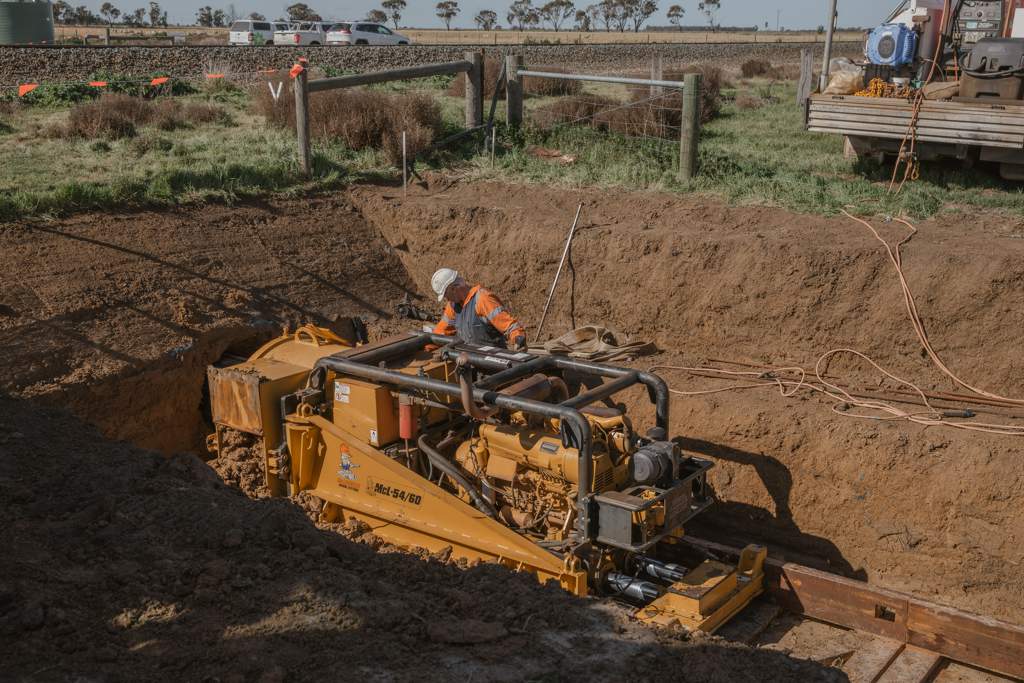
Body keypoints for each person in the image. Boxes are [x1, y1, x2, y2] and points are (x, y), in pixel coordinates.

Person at [430, 268, 527, 350]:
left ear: (454, 289)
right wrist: (424, 345)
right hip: (469, 362)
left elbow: (509, 325)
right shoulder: (453, 306)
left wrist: (518, 338)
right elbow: (441, 331)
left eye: (446, 295)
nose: (446, 299)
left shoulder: (482, 299)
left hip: (493, 362)